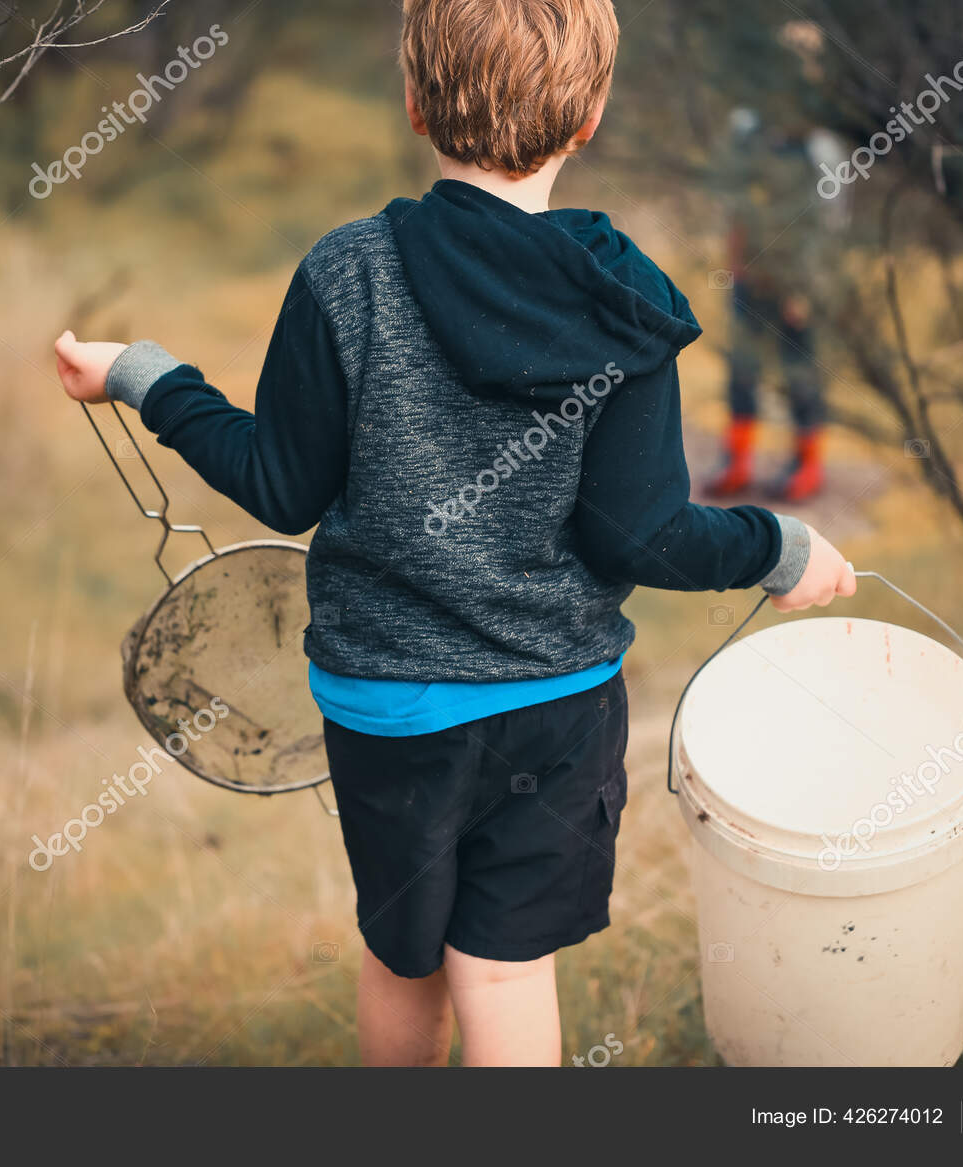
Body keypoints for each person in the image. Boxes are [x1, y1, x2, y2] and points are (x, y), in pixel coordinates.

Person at [53, 0, 855, 1067]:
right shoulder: (623, 300)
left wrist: (140, 376)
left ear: (415, 102)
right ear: (591, 115)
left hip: (386, 709)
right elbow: (640, 538)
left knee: (402, 955)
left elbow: (280, 483)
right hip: (555, 709)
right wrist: (778, 549)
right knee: (506, 968)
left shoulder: (346, 275)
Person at [705, 106, 845, 502]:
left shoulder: (818, 146)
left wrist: (807, 288)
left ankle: (808, 467)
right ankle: (737, 463)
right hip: (751, 277)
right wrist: (735, 262)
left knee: (800, 374)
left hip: (798, 282)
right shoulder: (748, 131)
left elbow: (830, 222)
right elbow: (732, 201)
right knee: (742, 369)